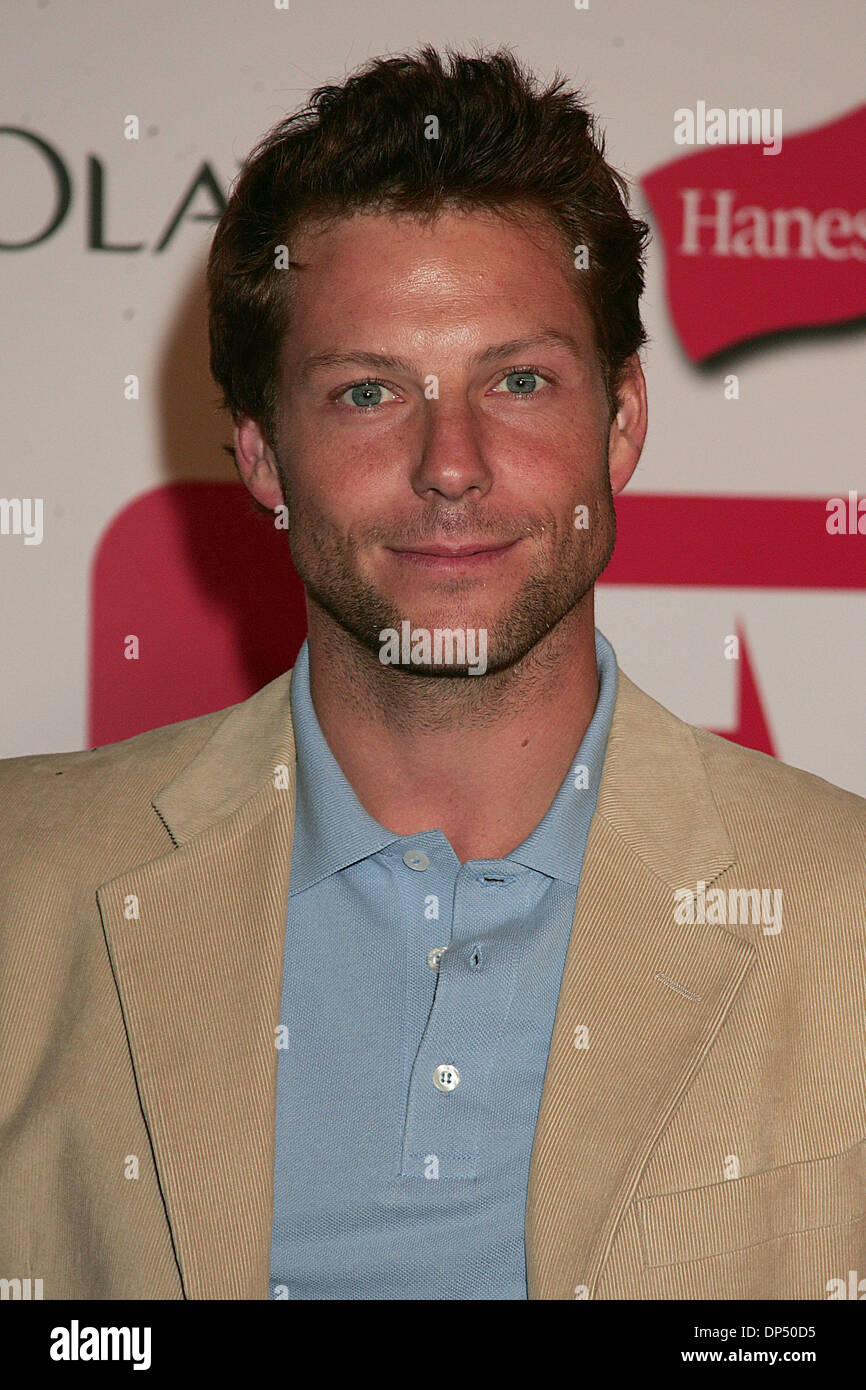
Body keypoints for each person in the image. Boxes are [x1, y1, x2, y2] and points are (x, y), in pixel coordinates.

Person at [1, 45, 863, 1302]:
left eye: (517, 380)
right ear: (258, 453)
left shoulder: (845, 912)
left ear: (618, 421)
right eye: (364, 392)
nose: (449, 463)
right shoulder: (23, 884)